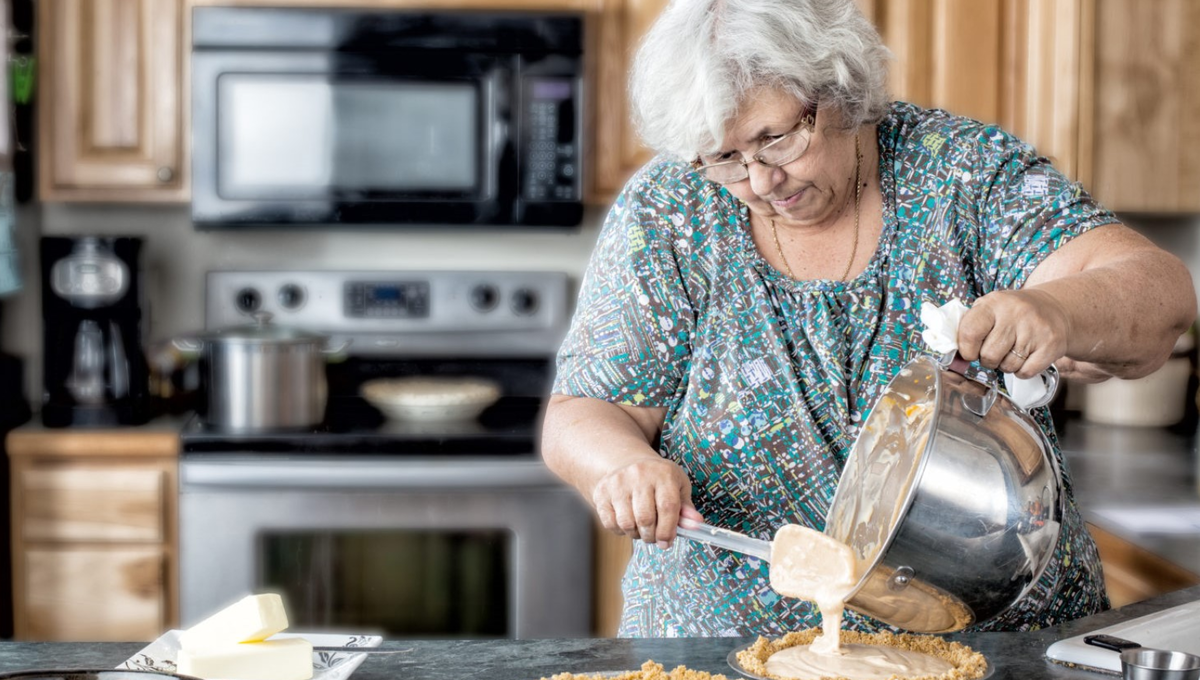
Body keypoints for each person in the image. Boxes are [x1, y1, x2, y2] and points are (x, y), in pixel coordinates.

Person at [542, 0, 1197, 638]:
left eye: (776, 138)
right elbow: (583, 413)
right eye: (723, 158)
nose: (761, 179)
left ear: (840, 87)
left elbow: (1159, 293)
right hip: (724, 651)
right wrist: (622, 466)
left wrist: (1055, 309)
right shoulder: (668, 211)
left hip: (996, 642)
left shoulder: (961, 173)